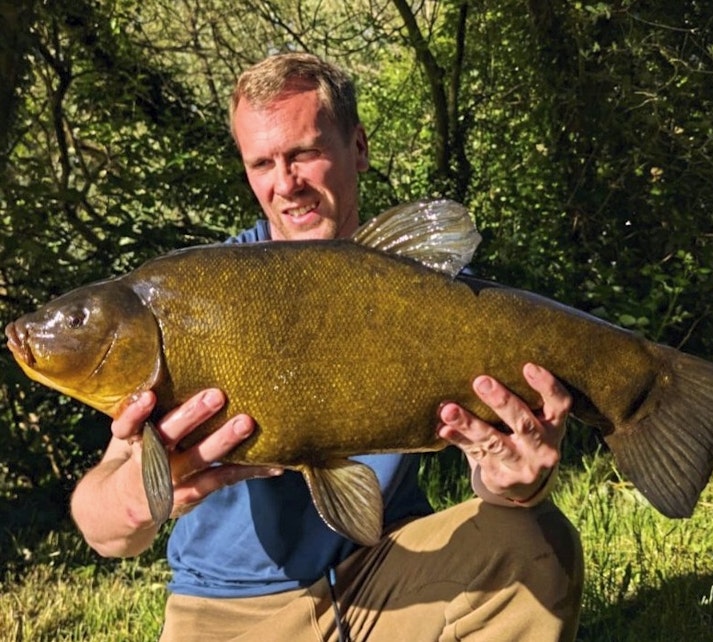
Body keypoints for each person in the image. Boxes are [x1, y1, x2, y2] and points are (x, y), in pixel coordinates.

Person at [71, 52, 584, 641]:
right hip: (228, 612)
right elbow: (100, 524)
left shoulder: (423, 293)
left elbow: (490, 459)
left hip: (388, 573)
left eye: (305, 153)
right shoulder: (193, 298)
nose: (286, 183)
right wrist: (135, 499)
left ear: (358, 147)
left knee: (535, 541)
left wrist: (514, 482)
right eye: (262, 163)